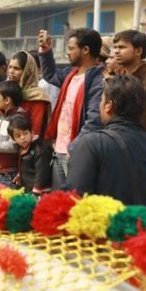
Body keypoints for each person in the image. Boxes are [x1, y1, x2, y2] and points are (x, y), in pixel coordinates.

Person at [38, 28, 104, 190]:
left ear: (85, 50)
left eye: (71, 48)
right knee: (60, 202)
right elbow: (50, 75)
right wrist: (46, 50)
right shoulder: (70, 74)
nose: (67, 53)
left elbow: (94, 119)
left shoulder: (98, 80)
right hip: (59, 148)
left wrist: (74, 148)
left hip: (76, 153)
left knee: (74, 201)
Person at [66, 74, 146, 204]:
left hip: (105, 223)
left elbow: (73, 200)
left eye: (101, 100)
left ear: (109, 105)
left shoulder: (91, 144)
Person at [7, 51, 51, 138]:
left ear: (27, 71)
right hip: (2, 147)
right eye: (10, 67)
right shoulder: (7, 91)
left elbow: (35, 131)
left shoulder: (37, 98)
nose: (11, 71)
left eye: (16, 68)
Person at [8, 114, 51, 194]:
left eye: (25, 133)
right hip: (29, 188)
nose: (23, 137)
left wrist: (37, 190)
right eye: (18, 136)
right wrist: (20, 175)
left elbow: (41, 172)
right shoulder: (22, 148)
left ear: (32, 132)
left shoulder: (39, 149)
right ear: (13, 139)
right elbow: (27, 167)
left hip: (40, 191)